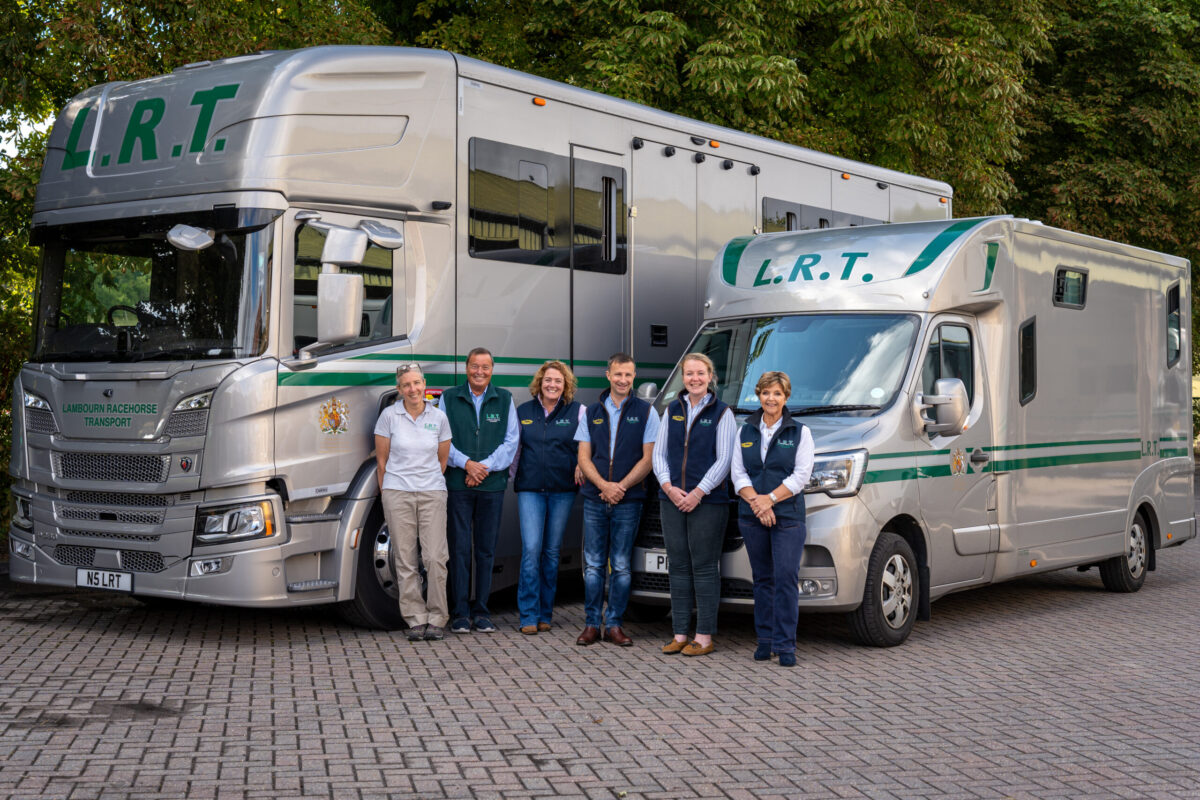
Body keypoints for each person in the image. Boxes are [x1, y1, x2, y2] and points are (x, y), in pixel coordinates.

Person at [730, 371, 815, 667]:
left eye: (777, 393)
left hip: (788, 517)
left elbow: (801, 476)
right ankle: (765, 641)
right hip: (752, 516)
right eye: (766, 393)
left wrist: (771, 500)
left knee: (786, 579)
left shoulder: (799, 432)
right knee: (762, 580)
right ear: (758, 395)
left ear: (786, 397)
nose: (771, 399)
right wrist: (758, 503)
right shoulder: (746, 430)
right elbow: (738, 473)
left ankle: (785, 644)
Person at [652, 353, 735, 657]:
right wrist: (668, 487)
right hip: (671, 499)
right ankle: (679, 633)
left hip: (709, 502)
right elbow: (659, 454)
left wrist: (698, 492)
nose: (694, 379)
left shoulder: (722, 413)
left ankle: (704, 637)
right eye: (689, 374)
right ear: (682, 377)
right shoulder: (672, 410)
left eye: (700, 373)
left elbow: (724, 459)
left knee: (703, 567)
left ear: (710, 376)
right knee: (678, 566)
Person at [575, 353, 660, 647]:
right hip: (595, 498)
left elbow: (649, 459)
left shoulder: (648, 412)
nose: (623, 380)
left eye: (629, 375)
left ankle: (614, 624)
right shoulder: (591, 412)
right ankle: (590, 625)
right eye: (618, 374)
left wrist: (620, 487)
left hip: (629, 499)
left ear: (634, 377)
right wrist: (603, 485)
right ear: (608, 375)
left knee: (622, 565)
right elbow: (583, 456)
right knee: (594, 564)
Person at [440, 347, 519, 634]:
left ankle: (482, 611)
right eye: (475, 366)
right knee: (459, 550)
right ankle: (460, 613)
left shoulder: (505, 398)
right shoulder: (449, 398)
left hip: (491, 487)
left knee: (485, 551)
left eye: (485, 367)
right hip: (458, 486)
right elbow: (442, 440)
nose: (480, 372)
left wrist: (481, 467)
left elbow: (511, 443)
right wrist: (466, 465)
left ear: (492, 369)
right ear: (466, 368)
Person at [373, 364, 454, 641]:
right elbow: (381, 462)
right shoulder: (389, 417)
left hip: (432, 492)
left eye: (417, 383)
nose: (413, 389)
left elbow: (441, 460)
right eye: (406, 385)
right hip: (398, 493)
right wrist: (388, 492)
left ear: (424, 384)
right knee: (405, 559)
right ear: (399, 389)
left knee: (434, 558)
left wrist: (426, 482)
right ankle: (415, 618)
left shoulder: (439, 417)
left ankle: (437, 617)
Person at [511, 360, 586, 635]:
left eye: (558, 381)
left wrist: (581, 463)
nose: (553, 385)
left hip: (562, 490)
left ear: (565, 385)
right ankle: (528, 614)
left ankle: (545, 613)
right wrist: (507, 477)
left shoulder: (578, 412)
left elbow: (587, 444)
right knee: (531, 549)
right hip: (530, 490)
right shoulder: (523, 412)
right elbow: (515, 450)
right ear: (540, 383)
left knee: (552, 553)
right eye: (548, 380)